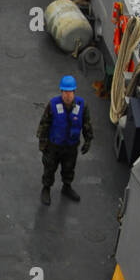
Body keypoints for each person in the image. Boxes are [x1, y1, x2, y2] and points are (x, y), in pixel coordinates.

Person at [37, 74, 93, 204]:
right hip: (54, 145)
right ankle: (46, 188)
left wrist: (88, 140)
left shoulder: (82, 106)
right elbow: (44, 124)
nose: (67, 95)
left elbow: (86, 124)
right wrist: (43, 144)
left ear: (74, 92)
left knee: (69, 167)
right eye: (65, 92)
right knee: (49, 168)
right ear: (61, 91)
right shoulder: (53, 105)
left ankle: (66, 187)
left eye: (70, 92)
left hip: (71, 145)